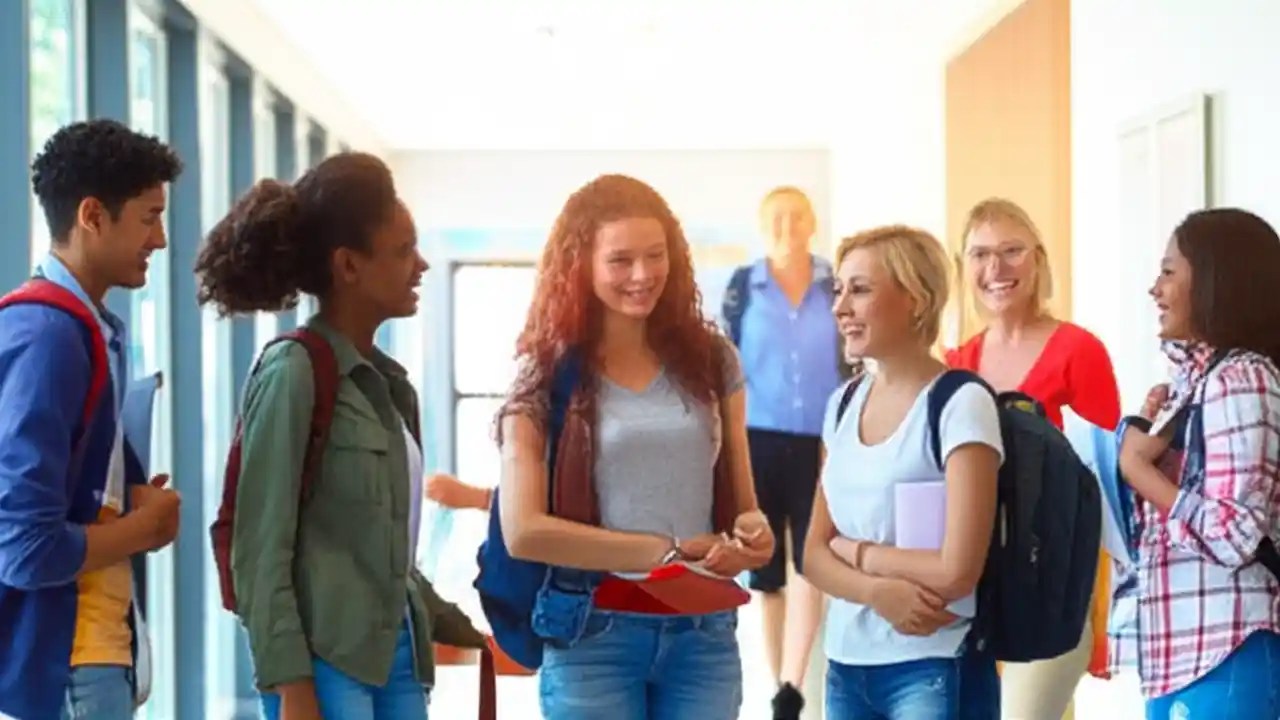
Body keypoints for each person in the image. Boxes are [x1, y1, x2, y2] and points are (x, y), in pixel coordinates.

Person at [194, 152, 485, 720]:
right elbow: (260, 552)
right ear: (349, 266)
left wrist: (457, 624)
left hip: (396, 656)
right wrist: (290, 687)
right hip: (325, 665)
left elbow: (377, 551)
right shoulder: (293, 372)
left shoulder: (389, 385)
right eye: (403, 251)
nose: (421, 265)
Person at [496, 173, 775, 720]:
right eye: (621, 260)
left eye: (655, 255)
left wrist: (753, 538)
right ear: (583, 265)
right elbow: (523, 530)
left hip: (703, 633)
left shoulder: (715, 360)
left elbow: (744, 505)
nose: (643, 275)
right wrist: (661, 551)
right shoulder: (545, 374)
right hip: (591, 632)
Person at [0, 119, 183, 720]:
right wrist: (145, 530)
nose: (159, 239)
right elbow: (24, 548)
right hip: (67, 665)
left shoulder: (87, 329)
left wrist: (126, 501)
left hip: (93, 652)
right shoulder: (50, 337)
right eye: (148, 216)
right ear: (92, 216)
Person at [804, 225, 1002, 719]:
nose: (841, 307)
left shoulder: (961, 403)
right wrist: (877, 593)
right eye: (839, 290)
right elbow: (812, 554)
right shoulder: (841, 405)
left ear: (915, 300)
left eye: (861, 289)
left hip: (934, 663)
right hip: (846, 665)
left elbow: (957, 570)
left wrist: (858, 553)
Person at [945, 198, 1120, 718]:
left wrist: (1102, 614)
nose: (995, 269)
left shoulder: (1079, 351)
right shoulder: (958, 362)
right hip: (978, 586)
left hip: (1054, 585)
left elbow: (1106, 487)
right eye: (980, 254)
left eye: (1011, 251)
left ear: (1039, 259)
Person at [1118, 208, 1280, 719]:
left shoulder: (1240, 379)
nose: (1154, 289)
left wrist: (1141, 472)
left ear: (1214, 279)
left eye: (1169, 271)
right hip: (1184, 652)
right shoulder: (1197, 382)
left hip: (1229, 646)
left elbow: (1234, 533)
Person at [720, 186, 844, 719]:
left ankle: (796, 674)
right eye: (776, 217)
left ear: (812, 222)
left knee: (813, 560)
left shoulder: (835, 284)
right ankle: (782, 688)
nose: (786, 227)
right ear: (760, 223)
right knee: (767, 570)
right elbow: (722, 366)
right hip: (759, 439)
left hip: (823, 438)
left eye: (796, 216)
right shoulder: (743, 288)